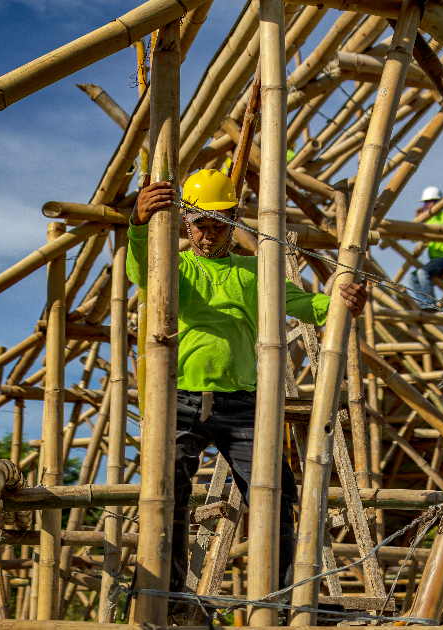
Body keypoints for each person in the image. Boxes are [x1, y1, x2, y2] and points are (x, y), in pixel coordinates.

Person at [129, 169, 368, 610]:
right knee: (169, 494)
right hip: (180, 400)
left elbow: (304, 304)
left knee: (275, 490)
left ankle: (279, 597)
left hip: (241, 403)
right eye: (200, 225)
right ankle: (171, 594)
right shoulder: (175, 264)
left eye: (218, 225)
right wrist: (140, 226)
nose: (208, 235)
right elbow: (143, 271)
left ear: (234, 221)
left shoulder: (253, 272)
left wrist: (340, 301)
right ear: (186, 222)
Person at [404, 186, 443, 311]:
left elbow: (440, 227)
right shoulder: (428, 219)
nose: (427, 206)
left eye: (429, 203)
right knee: (411, 278)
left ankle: (430, 303)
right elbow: (413, 238)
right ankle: (424, 304)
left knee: (422, 272)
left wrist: (425, 219)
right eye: (425, 204)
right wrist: (418, 220)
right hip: (435, 260)